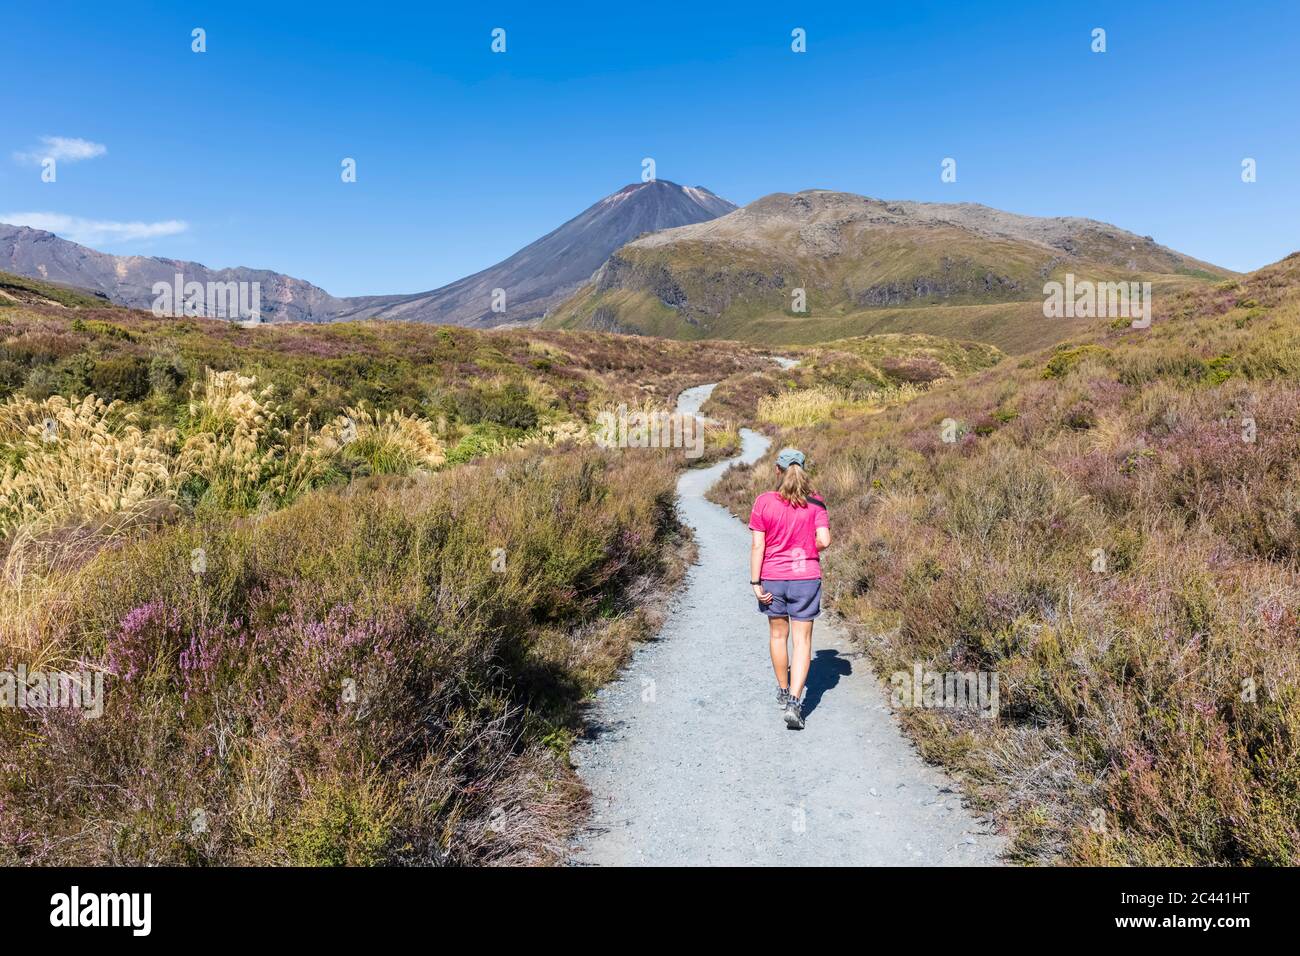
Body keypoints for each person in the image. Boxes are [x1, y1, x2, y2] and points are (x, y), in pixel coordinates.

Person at [748, 448, 830, 729]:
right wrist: (807, 546)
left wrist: (755, 582)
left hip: (773, 578)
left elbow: (758, 545)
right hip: (806, 578)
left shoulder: (764, 502)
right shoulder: (816, 503)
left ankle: (783, 691)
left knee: (777, 636)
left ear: (777, 471)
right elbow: (825, 541)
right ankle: (796, 702)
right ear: (804, 469)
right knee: (803, 641)